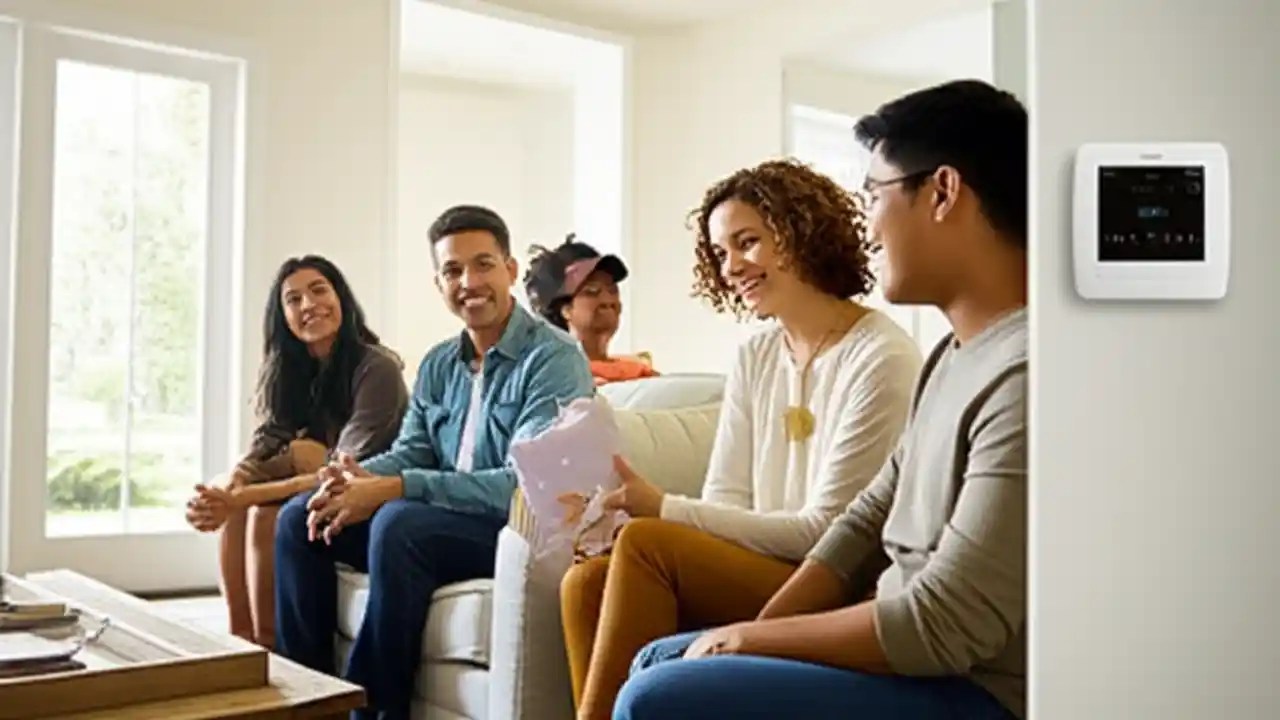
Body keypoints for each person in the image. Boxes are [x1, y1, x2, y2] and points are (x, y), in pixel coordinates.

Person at [613, 79, 1029, 720]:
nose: (870, 225)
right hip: (912, 662)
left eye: (875, 195)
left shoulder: (1025, 374)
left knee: (656, 693)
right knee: (659, 661)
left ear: (942, 192)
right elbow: (861, 525)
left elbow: (947, 624)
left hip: (970, 689)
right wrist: (753, 637)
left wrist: (751, 638)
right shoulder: (952, 359)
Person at [559, 159, 924, 720]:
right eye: (720, 253)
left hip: (829, 582)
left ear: (799, 231)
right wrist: (657, 517)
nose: (730, 267)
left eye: (746, 243)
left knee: (647, 544)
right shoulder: (756, 356)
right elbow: (726, 498)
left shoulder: (881, 355)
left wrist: (663, 511)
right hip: (764, 565)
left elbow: (827, 535)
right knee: (586, 581)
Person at [271, 205, 594, 720]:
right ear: (438, 282)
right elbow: (412, 450)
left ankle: (374, 712)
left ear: (510, 270)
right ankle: (306, 707)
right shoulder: (441, 362)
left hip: (511, 525)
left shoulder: (552, 359)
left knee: (401, 524)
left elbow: (524, 485)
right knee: (300, 518)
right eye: (452, 270)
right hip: (438, 514)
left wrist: (396, 488)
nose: (469, 281)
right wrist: (355, 478)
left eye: (483, 264)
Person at [184, 255, 408, 649]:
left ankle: (273, 651)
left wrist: (240, 496)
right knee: (244, 509)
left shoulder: (378, 369)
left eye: (319, 290)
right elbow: (260, 452)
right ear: (282, 316)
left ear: (341, 297)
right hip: (313, 490)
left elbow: (344, 474)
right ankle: (242, 645)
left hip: (362, 499)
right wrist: (221, 491)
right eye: (294, 299)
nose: (308, 305)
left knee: (264, 513)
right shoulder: (288, 370)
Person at [523, 234, 657, 385]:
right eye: (592, 291)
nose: (608, 301)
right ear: (565, 309)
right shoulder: (552, 379)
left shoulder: (642, 374)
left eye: (613, 290)